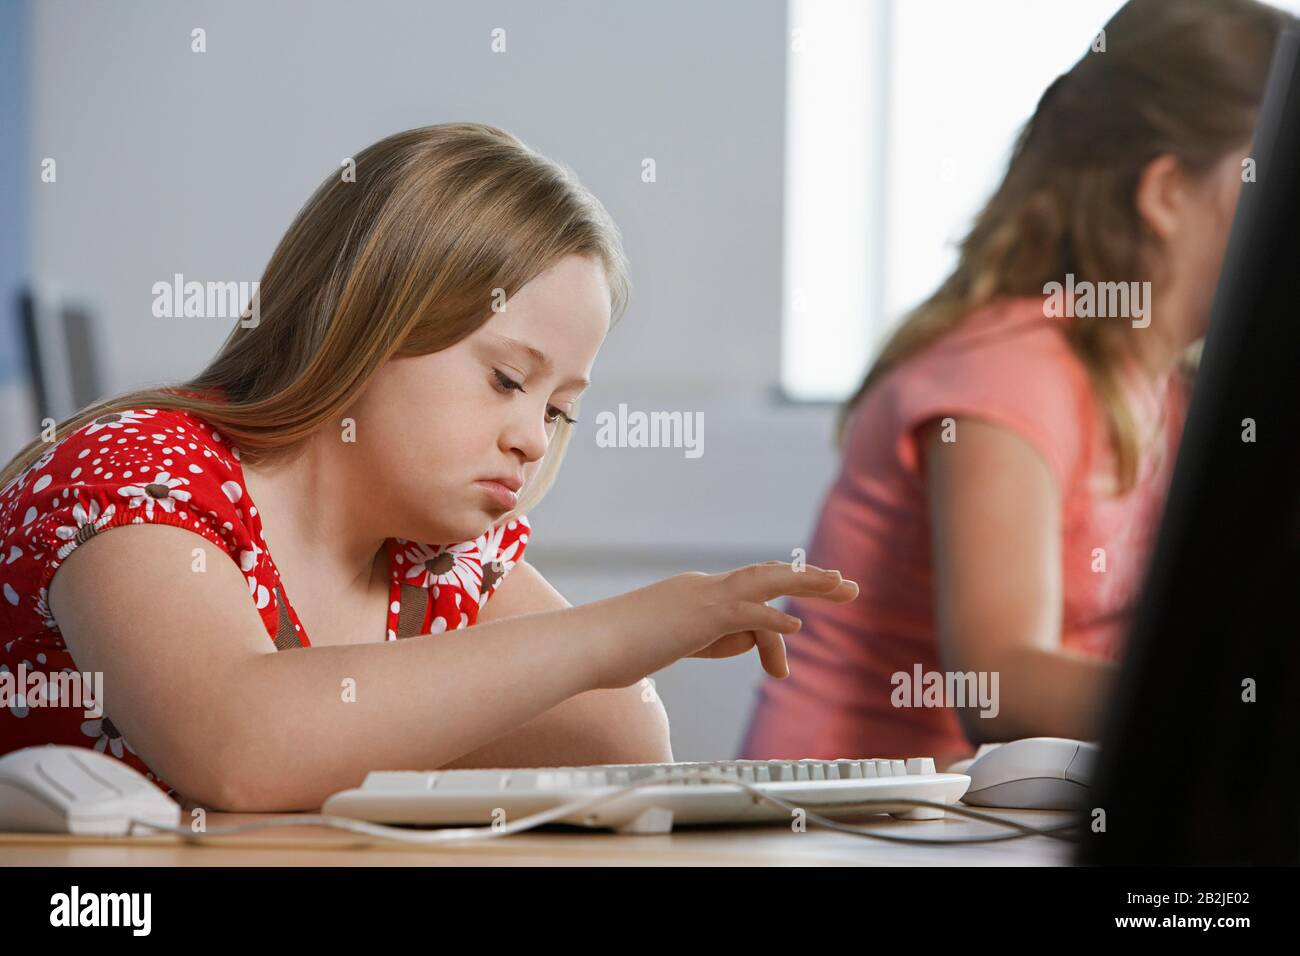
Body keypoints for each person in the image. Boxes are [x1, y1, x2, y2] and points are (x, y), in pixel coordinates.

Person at [0, 123, 858, 810]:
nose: (532, 437)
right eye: (507, 380)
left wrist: (609, 654)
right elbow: (240, 747)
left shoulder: (435, 553)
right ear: (365, 320)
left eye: (559, 410)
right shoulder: (135, 473)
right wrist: (625, 628)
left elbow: (617, 743)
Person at [741, 0, 1289, 771]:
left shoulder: (1168, 391)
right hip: (841, 832)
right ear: (1167, 194)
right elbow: (1001, 686)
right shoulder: (1012, 374)